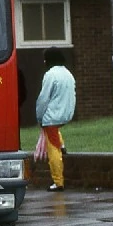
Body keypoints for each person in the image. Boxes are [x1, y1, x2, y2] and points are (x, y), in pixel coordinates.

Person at [35, 47, 76, 192]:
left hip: (52, 116)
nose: (44, 61)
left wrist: (39, 117)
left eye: (45, 58)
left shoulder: (50, 75)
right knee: (54, 132)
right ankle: (62, 145)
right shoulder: (68, 73)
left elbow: (43, 99)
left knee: (53, 150)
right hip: (66, 113)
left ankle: (58, 182)